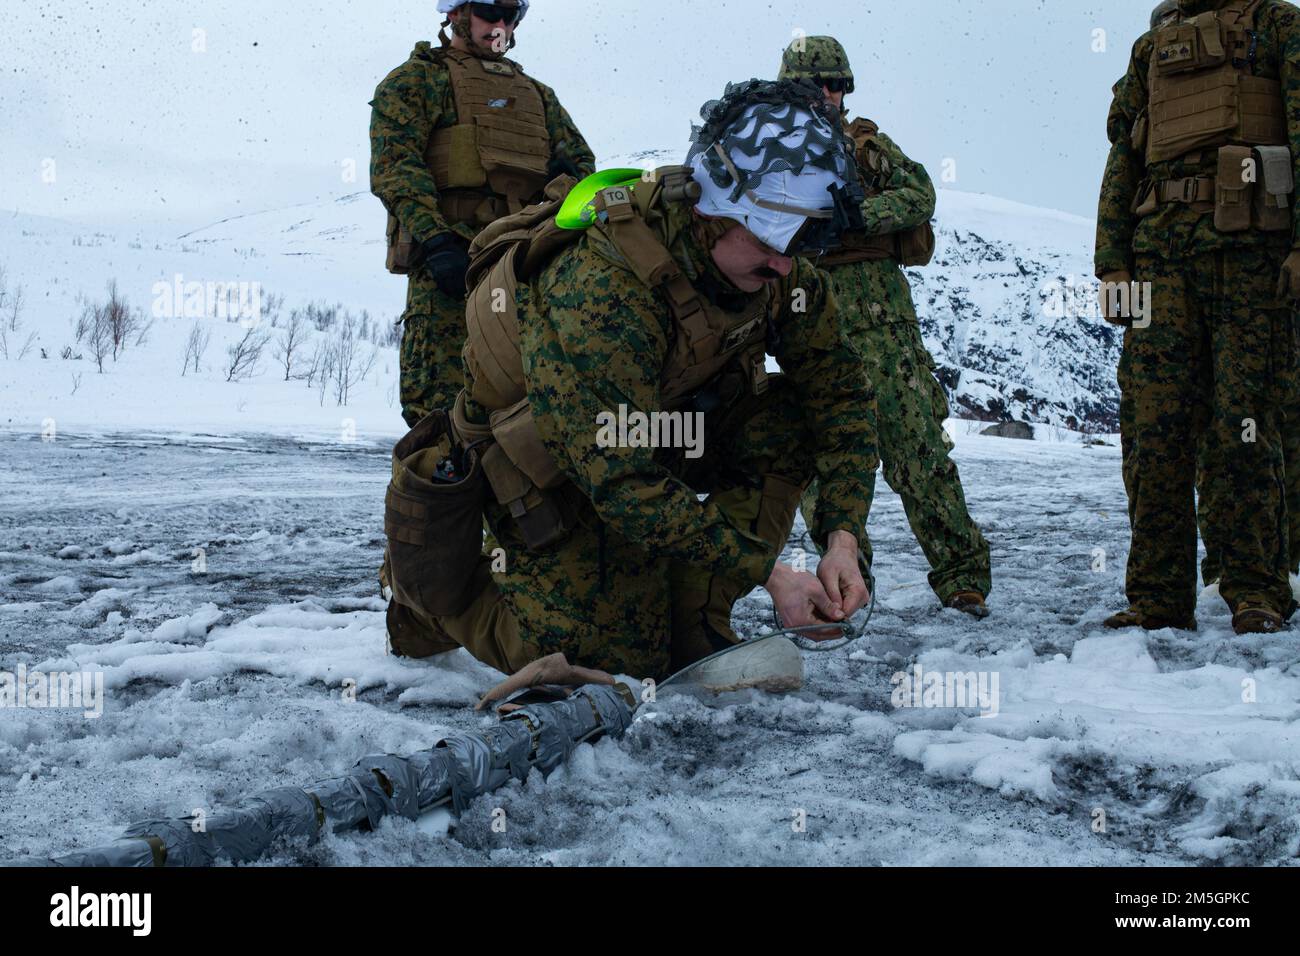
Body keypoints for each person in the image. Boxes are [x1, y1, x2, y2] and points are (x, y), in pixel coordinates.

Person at [385, 80, 880, 694]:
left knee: (790, 418)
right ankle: (432, 603)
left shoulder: (782, 273)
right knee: (609, 660)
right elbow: (620, 480)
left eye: (800, 242)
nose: (785, 264)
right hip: (545, 462)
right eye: (769, 242)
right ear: (711, 211)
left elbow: (839, 396)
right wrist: (770, 573)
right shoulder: (604, 286)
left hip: (655, 434)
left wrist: (842, 538)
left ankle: (697, 619)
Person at [1095, 0, 1300, 634]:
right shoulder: (1151, 47)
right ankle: (1158, 597)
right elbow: (1124, 156)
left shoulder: (1279, 25)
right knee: (1152, 429)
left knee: (1243, 424)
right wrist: (1112, 262)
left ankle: (1256, 589)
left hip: (1250, 259)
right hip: (1159, 259)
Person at [778, 36, 993, 617]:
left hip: (882, 324)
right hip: (807, 320)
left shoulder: (866, 145)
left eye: (842, 84)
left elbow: (919, 193)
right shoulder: (768, 149)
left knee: (916, 450)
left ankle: (963, 577)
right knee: (823, 464)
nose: (835, 94)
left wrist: (854, 218)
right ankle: (847, 582)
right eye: (824, 83)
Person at [369, 0, 595, 427]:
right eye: (491, 12)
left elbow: (582, 167)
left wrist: (561, 188)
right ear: (457, 13)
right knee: (440, 418)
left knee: (533, 414)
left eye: (511, 17)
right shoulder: (418, 80)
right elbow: (395, 167)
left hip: (525, 266)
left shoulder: (538, 95)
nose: (501, 25)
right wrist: (435, 240)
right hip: (452, 265)